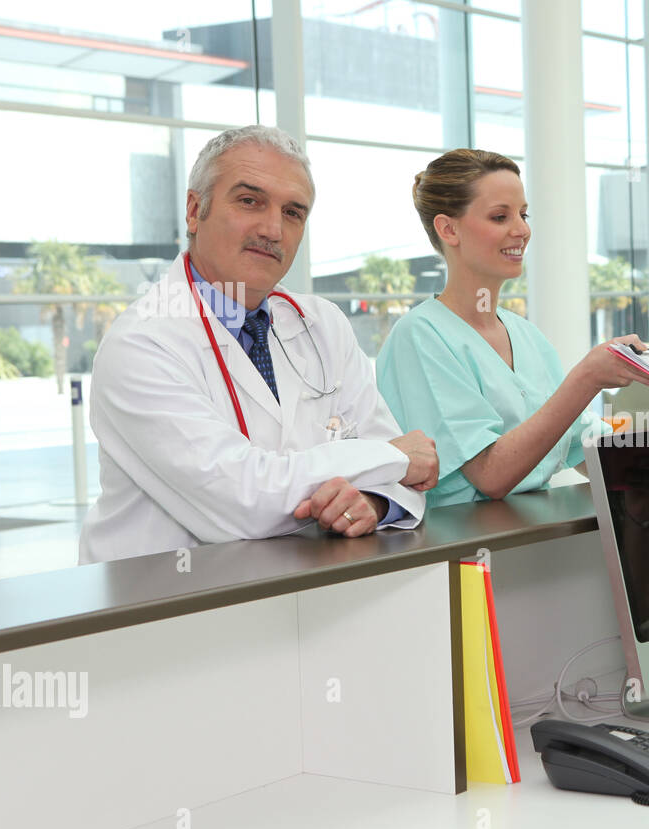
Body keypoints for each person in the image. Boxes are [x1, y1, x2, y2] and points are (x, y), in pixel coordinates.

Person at [79, 126, 439, 564]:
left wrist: (373, 502)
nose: (272, 229)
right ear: (194, 211)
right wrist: (388, 457)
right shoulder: (141, 344)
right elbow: (245, 502)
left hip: (305, 586)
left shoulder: (323, 325)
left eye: (293, 212)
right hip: (168, 596)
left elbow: (409, 479)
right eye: (249, 201)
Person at [375, 148, 649, 509]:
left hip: (542, 534)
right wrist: (588, 378)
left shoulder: (526, 336)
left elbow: (585, 443)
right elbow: (491, 475)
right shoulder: (420, 337)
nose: (522, 230)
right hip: (465, 542)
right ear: (448, 229)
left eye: (523, 214)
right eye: (500, 216)